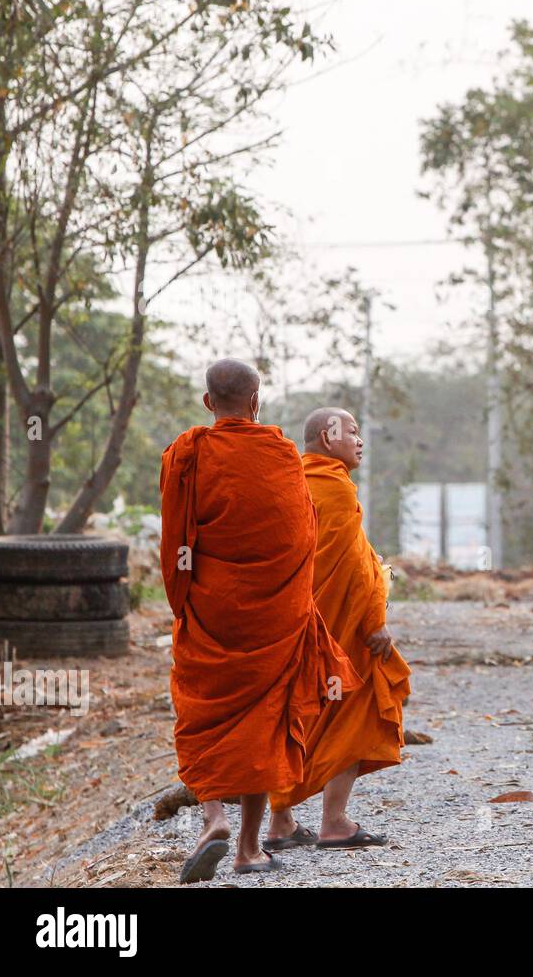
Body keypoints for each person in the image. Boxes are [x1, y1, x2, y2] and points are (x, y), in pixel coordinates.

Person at [159, 359, 361, 882]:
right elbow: (303, 538)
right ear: (256, 401)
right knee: (264, 722)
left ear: (208, 403)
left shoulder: (187, 454)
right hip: (272, 619)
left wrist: (184, 602)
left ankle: (213, 818)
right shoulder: (280, 454)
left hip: (210, 611)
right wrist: (292, 606)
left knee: (201, 710)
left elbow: (175, 540)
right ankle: (249, 848)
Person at [264, 407, 411, 851]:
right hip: (343, 631)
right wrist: (376, 622)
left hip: (294, 624)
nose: (360, 440)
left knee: (295, 712)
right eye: (351, 431)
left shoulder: (290, 483)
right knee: (357, 706)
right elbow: (352, 568)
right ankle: (334, 822)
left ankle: (281, 823)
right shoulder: (337, 490)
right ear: (328, 437)